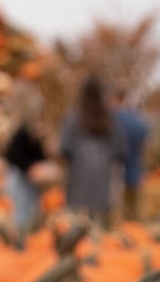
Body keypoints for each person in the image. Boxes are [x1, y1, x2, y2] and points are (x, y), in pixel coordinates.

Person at [59, 76, 127, 229]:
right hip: (103, 187)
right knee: (100, 232)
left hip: (77, 187)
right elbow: (120, 152)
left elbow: (64, 150)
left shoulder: (72, 119)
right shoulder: (109, 120)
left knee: (76, 232)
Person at [3, 83, 47, 236]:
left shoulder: (28, 128)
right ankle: (22, 251)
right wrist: (30, 167)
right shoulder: (21, 129)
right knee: (22, 219)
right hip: (21, 180)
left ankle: (27, 248)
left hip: (26, 179)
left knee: (30, 218)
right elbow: (15, 156)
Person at [112, 89, 150, 223]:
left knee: (118, 217)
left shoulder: (113, 120)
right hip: (136, 171)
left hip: (116, 174)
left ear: (116, 99)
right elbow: (145, 146)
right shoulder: (139, 121)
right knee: (135, 214)